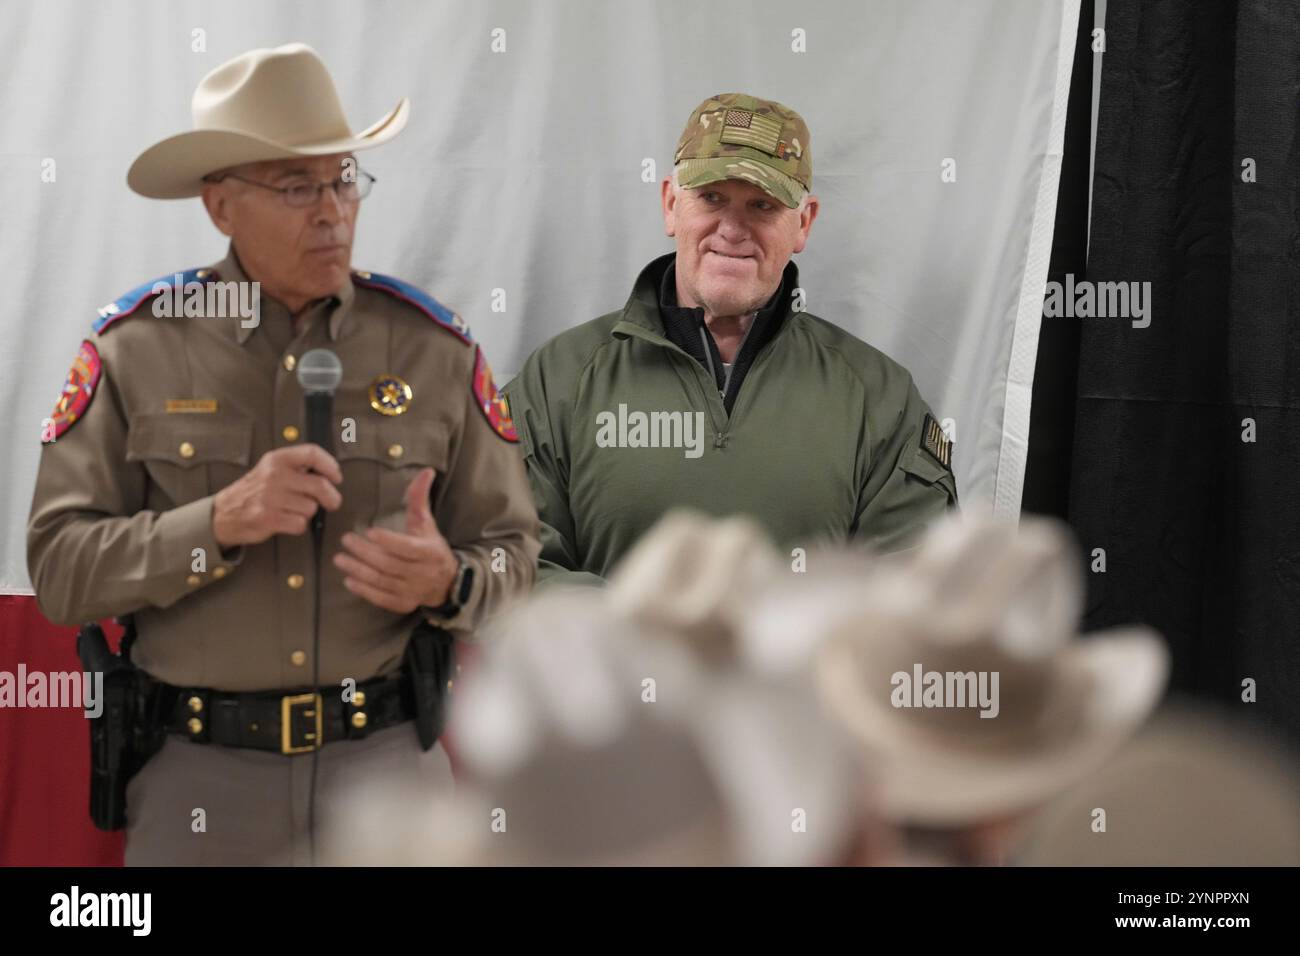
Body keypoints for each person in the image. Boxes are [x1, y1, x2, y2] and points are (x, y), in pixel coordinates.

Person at [25, 43, 540, 865]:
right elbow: (58, 571)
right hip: (199, 785)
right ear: (220, 205)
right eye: (298, 187)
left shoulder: (433, 350)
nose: (333, 211)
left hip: (388, 777)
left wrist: (454, 583)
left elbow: (518, 561)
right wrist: (216, 522)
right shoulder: (137, 349)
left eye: (343, 179)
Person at [504, 92, 958, 589]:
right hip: (609, 667)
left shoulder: (880, 398)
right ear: (671, 204)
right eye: (712, 197)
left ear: (803, 223)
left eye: (762, 205)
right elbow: (508, 563)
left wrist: (776, 653)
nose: (732, 229)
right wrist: (640, 645)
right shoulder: (560, 379)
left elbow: (917, 597)